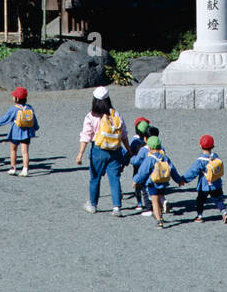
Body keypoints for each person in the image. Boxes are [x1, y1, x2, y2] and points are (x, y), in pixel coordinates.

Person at [75, 86, 129, 215]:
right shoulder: (115, 114)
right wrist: (129, 149)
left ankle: (93, 205)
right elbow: (124, 133)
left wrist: (80, 154)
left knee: (95, 178)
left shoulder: (91, 116)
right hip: (115, 150)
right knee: (114, 178)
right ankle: (117, 207)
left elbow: (86, 136)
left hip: (98, 150)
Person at [134, 135, 185, 228]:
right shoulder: (165, 158)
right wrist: (179, 180)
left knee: (154, 202)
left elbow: (143, 172)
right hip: (163, 182)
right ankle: (162, 213)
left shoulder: (150, 159)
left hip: (152, 183)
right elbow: (172, 169)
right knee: (160, 198)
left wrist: (136, 180)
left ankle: (159, 221)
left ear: (149, 147)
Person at [182, 134, 227, 223]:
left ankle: (199, 216)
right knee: (218, 199)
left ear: (200, 146)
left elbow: (193, 171)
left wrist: (184, 179)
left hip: (204, 185)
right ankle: (224, 212)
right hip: (216, 183)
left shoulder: (200, 160)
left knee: (200, 200)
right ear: (213, 146)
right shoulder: (215, 156)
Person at [0, 86, 39, 177]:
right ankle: (25, 169)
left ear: (17, 98)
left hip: (15, 132)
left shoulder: (14, 109)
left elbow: (5, 119)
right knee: (25, 152)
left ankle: (13, 167)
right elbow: (34, 120)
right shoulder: (30, 108)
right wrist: (35, 128)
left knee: (13, 150)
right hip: (27, 133)